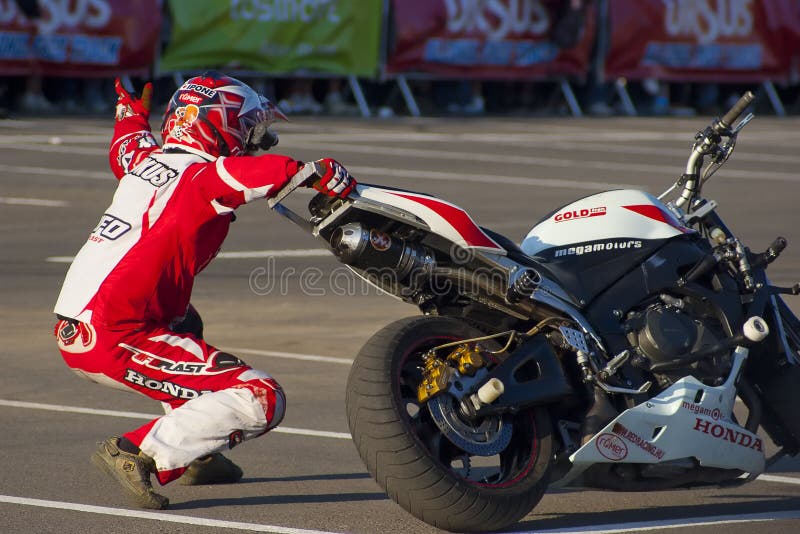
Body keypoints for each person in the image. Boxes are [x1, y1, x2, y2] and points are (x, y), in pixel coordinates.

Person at [53, 72, 356, 509]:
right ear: (221, 125)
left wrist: (129, 112)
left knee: (187, 321)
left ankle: (199, 452)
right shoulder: (201, 177)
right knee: (262, 398)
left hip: (82, 320)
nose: (258, 139)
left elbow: (126, 143)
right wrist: (313, 172)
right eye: (249, 128)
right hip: (116, 336)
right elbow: (244, 174)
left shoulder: (144, 160)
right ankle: (141, 452)